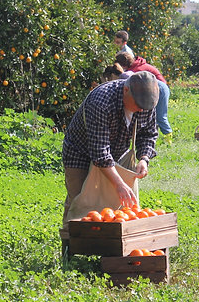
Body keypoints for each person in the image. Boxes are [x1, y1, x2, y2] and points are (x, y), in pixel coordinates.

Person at [61, 71, 159, 218]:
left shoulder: (146, 102)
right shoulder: (102, 101)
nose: (142, 110)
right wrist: (119, 184)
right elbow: (99, 151)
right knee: (81, 203)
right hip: (80, 153)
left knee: (113, 209)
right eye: (139, 105)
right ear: (126, 90)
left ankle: (108, 233)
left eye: (146, 107)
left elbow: (148, 134)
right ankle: (71, 233)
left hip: (116, 154)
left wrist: (144, 159)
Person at [115, 51, 172, 140]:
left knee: (160, 116)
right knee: (153, 116)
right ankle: (155, 137)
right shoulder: (135, 66)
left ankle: (169, 138)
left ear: (123, 65)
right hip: (157, 88)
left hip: (160, 89)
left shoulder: (137, 71)